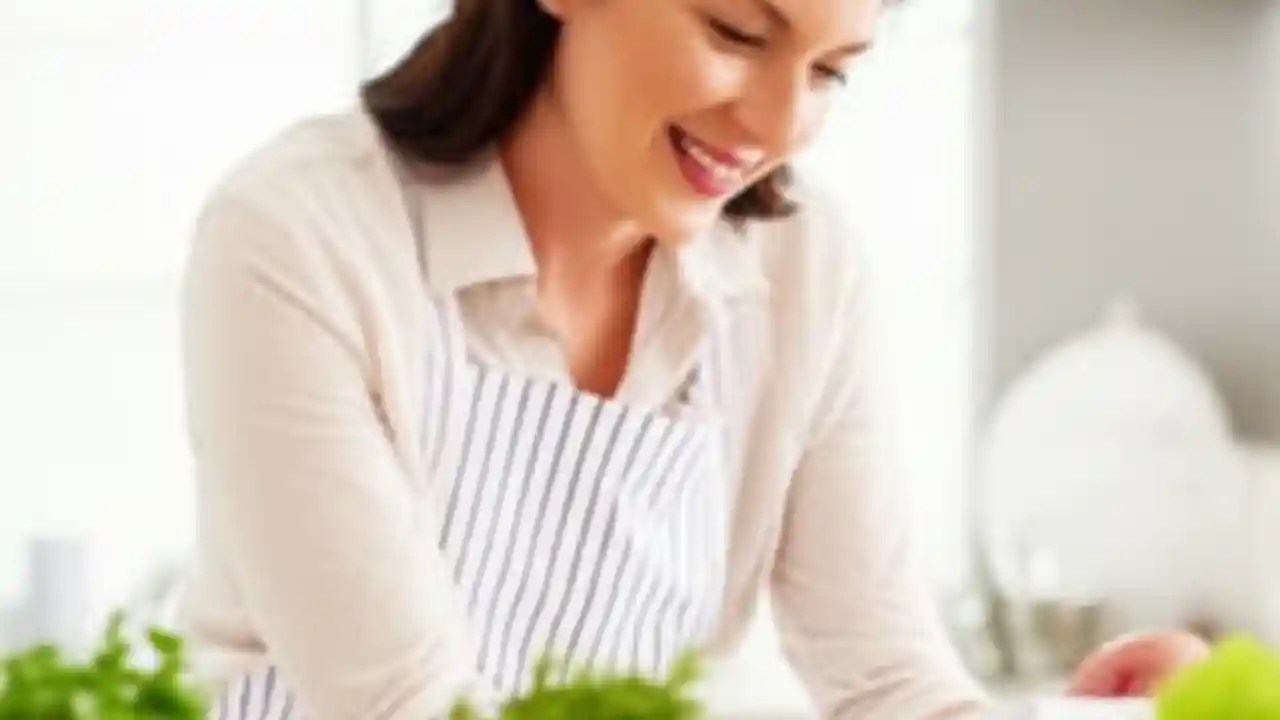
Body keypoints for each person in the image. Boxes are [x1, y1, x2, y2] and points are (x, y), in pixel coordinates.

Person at [178, 0, 1208, 718]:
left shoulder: (806, 270)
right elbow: (402, 704)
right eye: (735, 32)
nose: (777, 124)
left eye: (828, 71)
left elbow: (884, 678)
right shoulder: (300, 236)